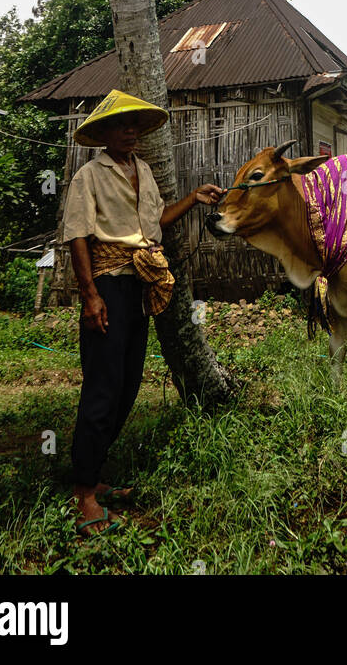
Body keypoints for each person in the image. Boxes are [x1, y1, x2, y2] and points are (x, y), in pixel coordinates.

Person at [61, 89, 222, 536]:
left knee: (129, 383)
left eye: (134, 125)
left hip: (141, 284)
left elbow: (153, 226)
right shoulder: (89, 176)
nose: (130, 131)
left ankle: (95, 474)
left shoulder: (145, 171)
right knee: (103, 384)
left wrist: (193, 198)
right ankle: (83, 493)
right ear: (104, 133)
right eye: (121, 125)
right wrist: (90, 295)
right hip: (108, 284)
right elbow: (77, 236)